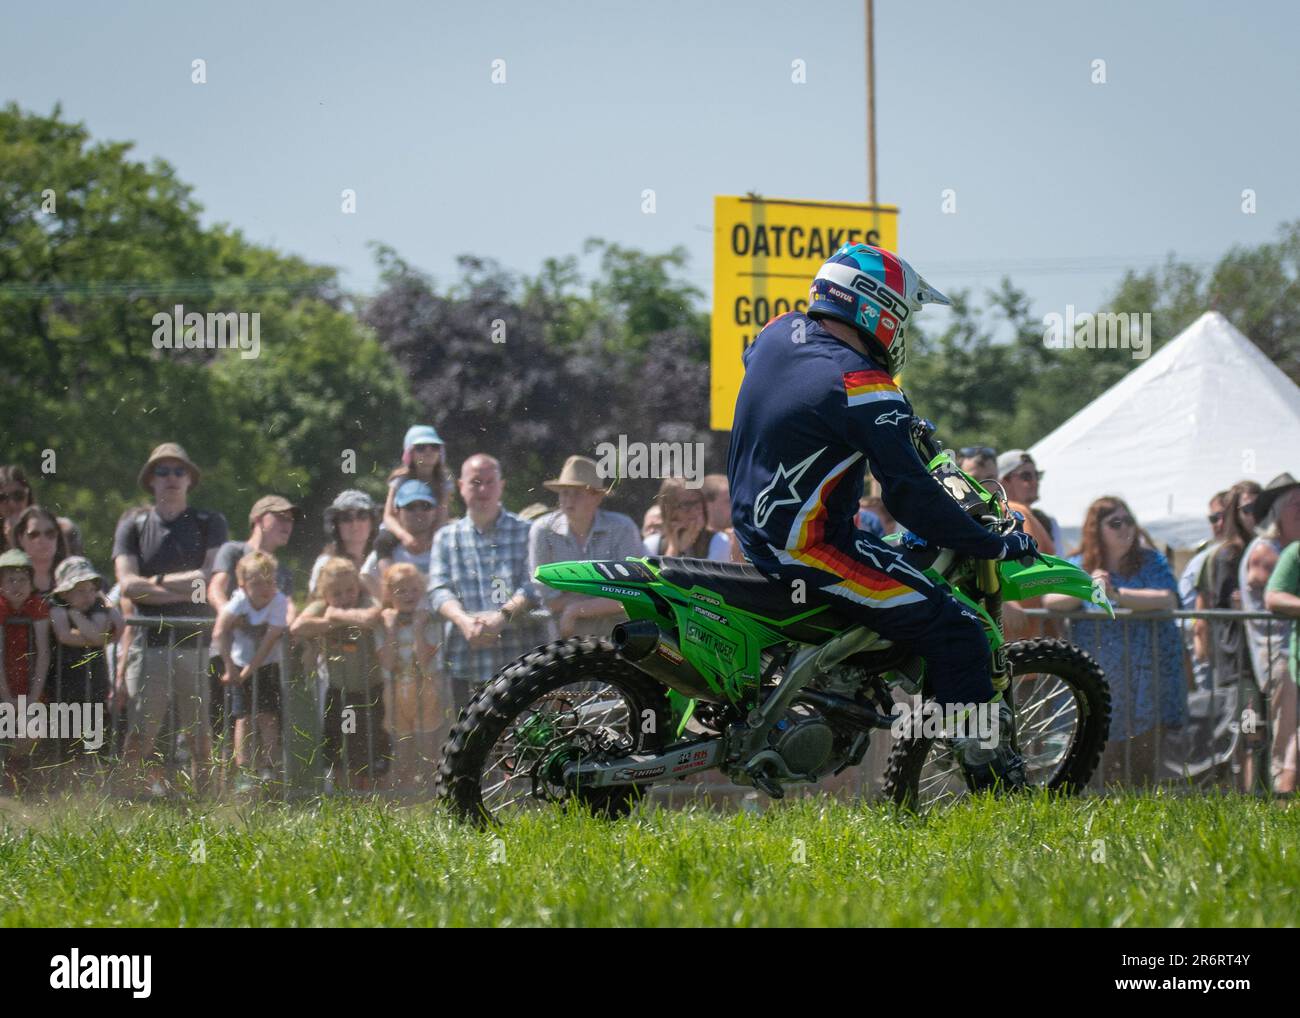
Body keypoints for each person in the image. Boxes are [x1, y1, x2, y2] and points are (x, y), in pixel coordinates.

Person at [727, 242, 1038, 791]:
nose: (903, 334)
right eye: (904, 318)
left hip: (754, 530)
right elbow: (912, 499)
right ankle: (992, 778)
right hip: (810, 548)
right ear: (877, 309)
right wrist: (992, 544)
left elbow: (784, 386)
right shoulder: (865, 386)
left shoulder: (777, 333)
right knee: (958, 627)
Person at [1043, 497, 1187, 785]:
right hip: (1101, 679)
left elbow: (1168, 598)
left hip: (1146, 678)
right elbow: (1051, 600)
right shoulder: (1078, 564)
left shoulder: (1151, 561)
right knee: (1098, 759)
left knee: (1144, 761)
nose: (1126, 529)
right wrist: (1088, 588)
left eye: (1129, 521)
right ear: (1096, 529)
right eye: (1116, 523)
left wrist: (1115, 593)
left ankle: (1144, 817)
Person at [112, 443, 228, 796]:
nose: (171, 478)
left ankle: (206, 804)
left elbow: (209, 578)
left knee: (200, 736)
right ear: (151, 480)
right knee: (141, 733)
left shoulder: (211, 522)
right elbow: (127, 585)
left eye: (179, 471)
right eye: (162, 471)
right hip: (150, 645)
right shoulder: (134, 525)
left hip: (195, 644)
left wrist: (155, 585)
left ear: (190, 478)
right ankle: (126, 802)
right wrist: (182, 587)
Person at [428, 454, 548, 714]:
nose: (483, 489)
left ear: (501, 485)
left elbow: (534, 584)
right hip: (466, 662)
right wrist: (463, 621)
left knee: (527, 748)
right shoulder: (445, 538)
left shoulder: (528, 531)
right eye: (475, 482)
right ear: (461, 486)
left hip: (521, 661)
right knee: (472, 749)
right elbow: (438, 589)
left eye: (490, 482)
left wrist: (501, 617)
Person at [291, 557, 386, 790]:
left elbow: (371, 617)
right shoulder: (322, 607)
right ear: (324, 594)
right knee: (342, 750)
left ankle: (370, 803)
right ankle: (344, 802)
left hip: (370, 693)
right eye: (337, 594)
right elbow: (297, 627)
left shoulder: (365, 601)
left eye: (349, 590)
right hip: (341, 695)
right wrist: (331, 621)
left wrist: (336, 615)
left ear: (357, 586)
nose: (345, 598)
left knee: (371, 751)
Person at [528, 455, 644, 638]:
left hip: (616, 637)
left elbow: (632, 593)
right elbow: (546, 597)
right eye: (564, 492)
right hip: (563, 640)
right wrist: (603, 598)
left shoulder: (622, 528)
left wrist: (575, 609)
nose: (568, 499)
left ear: (597, 497)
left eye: (577, 492)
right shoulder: (542, 531)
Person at [958, 448, 1057, 642]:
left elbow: (1021, 564)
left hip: (1019, 642)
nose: (984, 486)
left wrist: (1002, 600)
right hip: (994, 639)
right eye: (974, 479)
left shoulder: (1012, 514)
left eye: (991, 478)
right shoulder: (955, 521)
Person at [1241, 472, 1300, 794]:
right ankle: (1282, 796)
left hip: (1287, 653)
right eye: (1296, 504)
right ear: (1277, 511)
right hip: (1279, 654)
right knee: (1286, 730)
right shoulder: (1267, 550)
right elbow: (1269, 591)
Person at [212, 551, 289, 791]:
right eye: (257, 583)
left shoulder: (279, 602)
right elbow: (219, 632)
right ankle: (245, 769)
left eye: (269, 582)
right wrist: (229, 667)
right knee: (243, 718)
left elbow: (268, 642)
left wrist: (246, 672)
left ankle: (269, 766)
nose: (264, 589)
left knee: (268, 717)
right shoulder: (239, 600)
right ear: (244, 585)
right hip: (238, 663)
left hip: (266, 666)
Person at [376, 562, 444, 789]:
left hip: (425, 691)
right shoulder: (385, 623)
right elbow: (388, 662)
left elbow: (424, 662)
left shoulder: (429, 621)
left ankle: (431, 796)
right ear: (389, 593)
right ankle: (403, 799)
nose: (409, 595)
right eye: (401, 590)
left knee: (428, 752)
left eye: (414, 589)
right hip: (395, 694)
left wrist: (416, 629)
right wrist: (392, 629)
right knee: (402, 753)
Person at [47, 556, 122, 763]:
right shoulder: (55, 606)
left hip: (94, 686)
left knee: (96, 743)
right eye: (80, 590)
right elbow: (64, 635)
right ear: (64, 592)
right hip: (64, 686)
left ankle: (94, 789)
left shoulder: (98, 606)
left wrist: (78, 618)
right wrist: (92, 635)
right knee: (66, 744)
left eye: (91, 589)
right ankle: (65, 790)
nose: (87, 596)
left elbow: (106, 631)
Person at [1193, 481, 1259, 689]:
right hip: (1238, 663)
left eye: (1261, 506)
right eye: (1248, 509)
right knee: (1246, 721)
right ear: (1236, 514)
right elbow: (1219, 609)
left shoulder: (1266, 548)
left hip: (1262, 657)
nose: (1256, 514)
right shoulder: (1227, 555)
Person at [0, 549, 51, 791]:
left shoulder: (37, 605)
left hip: (27, 678)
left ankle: (17, 774)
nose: (17, 585)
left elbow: (43, 651)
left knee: (31, 730)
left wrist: (33, 696)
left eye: (22, 579)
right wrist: (6, 696)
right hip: (4, 678)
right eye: (10, 579)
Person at [362, 479, 438, 599]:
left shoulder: (445, 547)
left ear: (435, 511)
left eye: (425, 506)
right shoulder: (387, 550)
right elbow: (366, 577)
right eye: (410, 507)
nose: (418, 512)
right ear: (397, 511)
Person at [383, 425, 452, 547]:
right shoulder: (400, 479)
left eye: (434, 447)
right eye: (421, 447)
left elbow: (442, 516)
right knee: (383, 540)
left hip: (432, 534)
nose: (428, 451)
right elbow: (388, 516)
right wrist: (404, 536)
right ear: (410, 453)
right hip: (401, 531)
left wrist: (431, 540)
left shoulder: (444, 481)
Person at [0, 464, 83, 555]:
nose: (11, 503)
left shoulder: (60, 530)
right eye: (2, 498)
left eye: (18, 495)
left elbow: (67, 565)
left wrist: (15, 540)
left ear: (28, 494)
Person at [643, 477, 731, 561]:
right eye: (686, 505)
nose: (695, 510)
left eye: (697, 502)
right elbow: (653, 576)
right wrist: (674, 548)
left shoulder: (719, 541)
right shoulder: (652, 544)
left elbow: (710, 576)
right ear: (670, 511)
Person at [311, 490, 379, 597]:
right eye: (346, 518)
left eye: (362, 516)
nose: (355, 524)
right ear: (336, 526)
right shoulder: (325, 563)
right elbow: (314, 604)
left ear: (372, 522)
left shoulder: (381, 558)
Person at [996, 450, 1061, 552]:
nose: (1035, 482)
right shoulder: (995, 519)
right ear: (1004, 482)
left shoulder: (1048, 521)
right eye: (1026, 476)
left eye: (1037, 475)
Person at [13, 505, 70, 601]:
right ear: (20, 539)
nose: (43, 540)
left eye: (50, 533)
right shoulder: (7, 579)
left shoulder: (72, 575)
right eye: (34, 534)